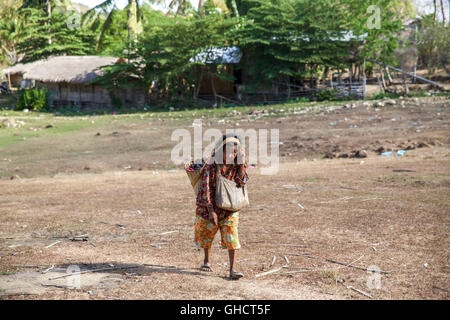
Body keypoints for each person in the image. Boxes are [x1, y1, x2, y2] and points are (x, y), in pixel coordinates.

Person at [194, 134, 249, 279]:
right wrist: (211, 211)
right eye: (229, 151)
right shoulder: (212, 165)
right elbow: (206, 188)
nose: (232, 155)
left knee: (232, 236)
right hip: (209, 206)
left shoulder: (237, 164)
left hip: (229, 207)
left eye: (235, 152)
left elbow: (241, 183)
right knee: (207, 234)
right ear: (221, 151)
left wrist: (242, 165)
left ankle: (233, 269)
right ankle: (206, 260)